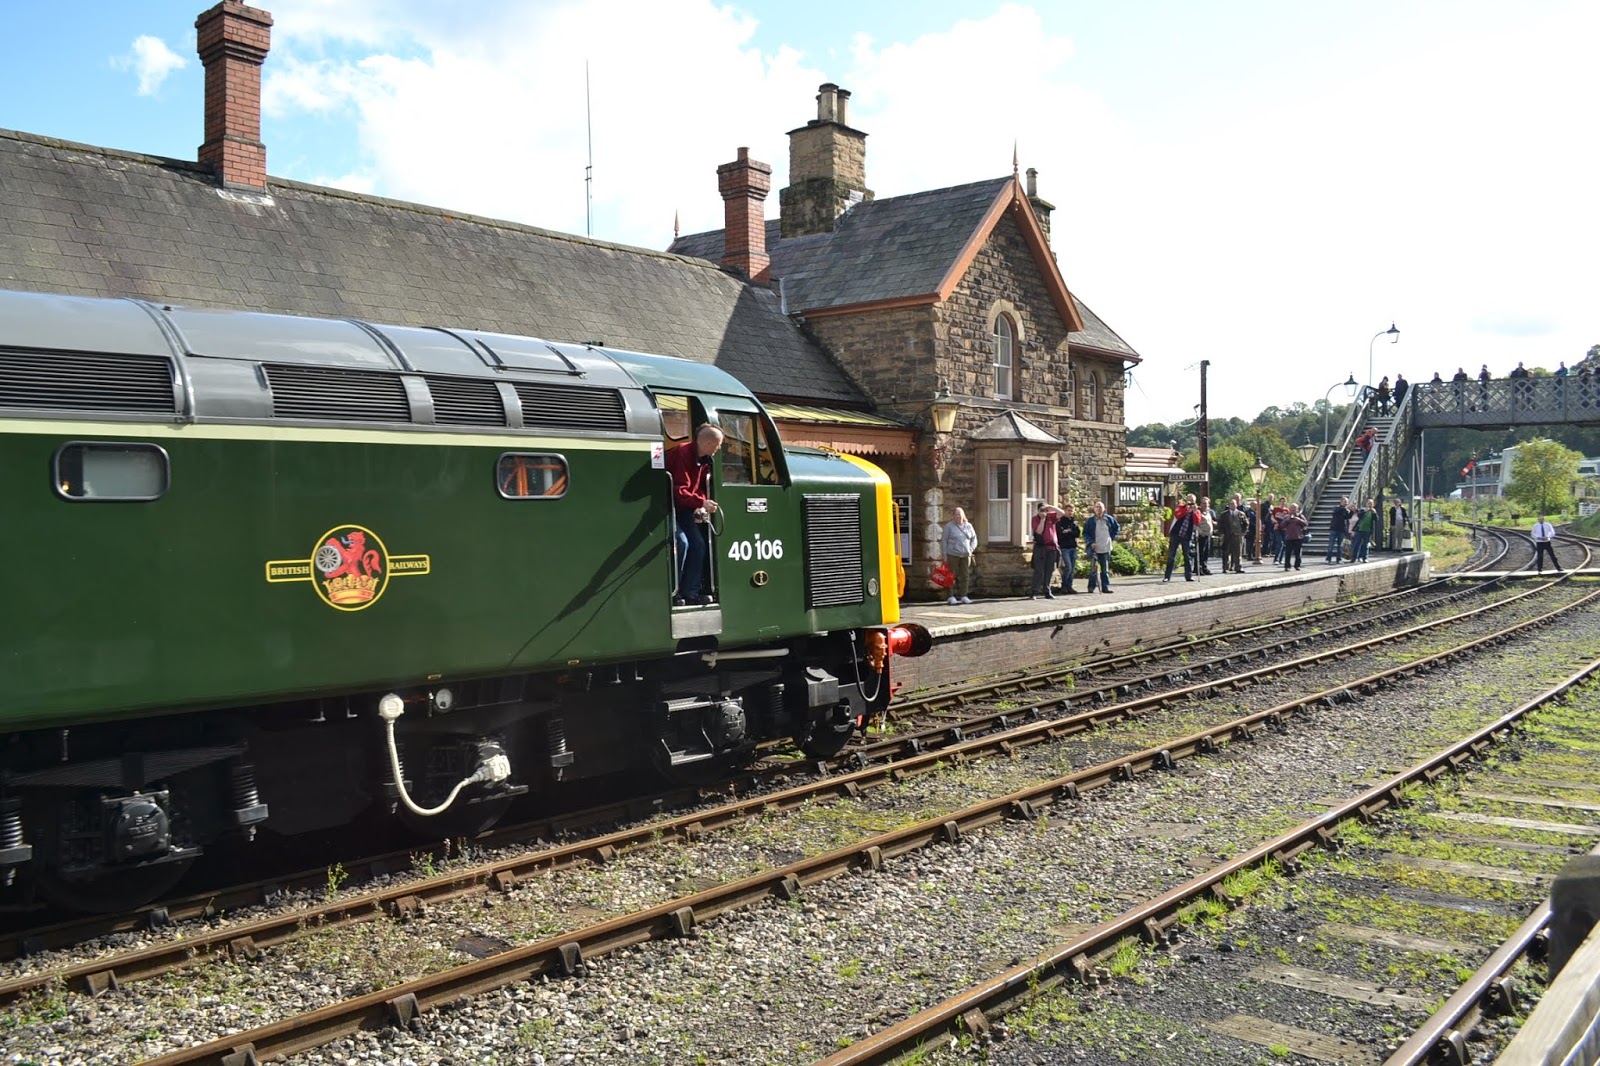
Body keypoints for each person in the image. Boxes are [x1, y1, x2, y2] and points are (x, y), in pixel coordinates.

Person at [667, 424, 723, 605]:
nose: (719, 448)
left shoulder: (704, 460)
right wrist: (701, 503)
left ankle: (690, 592)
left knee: (698, 544)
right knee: (681, 542)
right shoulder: (682, 453)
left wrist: (699, 505)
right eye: (718, 444)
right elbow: (678, 490)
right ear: (708, 443)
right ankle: (673, 592)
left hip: (684, 509)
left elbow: (697, 488)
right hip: (667, 509)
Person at [941, 506, 978, 605]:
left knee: (965, 575)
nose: (958, 516)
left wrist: (970, 549)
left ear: (963, 515)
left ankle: (964, 595)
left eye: (959, 514)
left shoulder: (968, 526)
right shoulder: (949, 526)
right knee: (951, 576)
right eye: (956, 514)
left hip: (965, 555)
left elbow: (974, 539)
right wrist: (944, 555)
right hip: (952, 554)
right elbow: (944, 540)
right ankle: (951, 596)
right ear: (953, 516)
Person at [1082, 501, 1119, 594]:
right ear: (1094, 509)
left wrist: (1112, 537)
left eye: (1100, 507)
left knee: (1105, 569)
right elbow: (1085, 533)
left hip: (1105, 547)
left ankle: (1105, 587)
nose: (1098, 509)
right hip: (1094, 547)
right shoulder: (1090, 521)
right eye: (1097, 507)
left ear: (1104, 509)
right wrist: (1091, 542)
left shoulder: (1109, 519)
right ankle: (1091, 587)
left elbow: (1116, 528)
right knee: (1093, 569)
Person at [1029, 502, 1062, 599]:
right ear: (1038, 511)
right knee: (1039, 571)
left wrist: (1051, 507)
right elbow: (1038, 531)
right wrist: (1042, 519)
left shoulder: (1051, 517)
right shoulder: (1035, 519)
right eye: (1041, 510)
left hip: (1051, 548)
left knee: (1049, 570)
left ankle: (1047, 591)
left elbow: (1061, 513)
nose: (1043, 512)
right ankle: (1034, 592)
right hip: (1040, 547)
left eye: (1045, 510)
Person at [1163, 494, 1197, 583]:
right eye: (1189, 500)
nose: (1190, 502)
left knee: (1187, 556)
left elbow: (1197, 521)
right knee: (1171, 556)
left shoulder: (1196, 510)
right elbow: (1178, 515)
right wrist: (1187, 509)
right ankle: (1167, 576)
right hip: (1176, 534)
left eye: (1192, 501)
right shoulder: (1181, 507)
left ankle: (1188, 576)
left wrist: (1194, 512)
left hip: (1186, 536)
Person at [1056, 503, 1081, 594]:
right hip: (1064, 547)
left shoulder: (1074, 522)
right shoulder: (1060, 522)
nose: (1070, 512)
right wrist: (1070, 532)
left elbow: (1077, 533)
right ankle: (1064, 585)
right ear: (1065, 511)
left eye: (1071, 511)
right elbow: (1061, 535)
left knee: (1072, 568)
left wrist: (1069, 532)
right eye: (1068, 510)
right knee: (1068, 567)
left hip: (1073, 547)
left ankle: (1069, 586)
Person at [1218, 498, 1246, 574]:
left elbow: (1246, 523)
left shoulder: (1241, 514)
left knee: (1238, 552)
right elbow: (1220, 524)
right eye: (1230, 504)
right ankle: (1226, 567)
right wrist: (1222, 533)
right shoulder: (1224, 514)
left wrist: (1243, 532)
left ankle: (1238, 567)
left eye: (1233, 504)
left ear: (1236, 505)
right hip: (1227, 535)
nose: (1232, 505)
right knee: (1226, 552)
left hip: (1238, 535)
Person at [1278, 503, 1309, 571]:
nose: (1293, 509)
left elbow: (1305, 524)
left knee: (1298, 553)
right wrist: (1287, 520)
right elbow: (1281, 526)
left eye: (1294, 508)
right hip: (1289, 537)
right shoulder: (1286, 517)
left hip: (1298, 537)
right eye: (1292, 508)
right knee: (1288, 553)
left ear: (1297, 509)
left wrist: (1298, 520)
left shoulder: (1300, 516)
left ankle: (1297, 565)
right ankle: (1287, 566)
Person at [1194, 496, 1216, 575]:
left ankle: (1204, 567)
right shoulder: (1198, 512)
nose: (1204, 505)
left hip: (1208, 535)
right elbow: (1195, 524)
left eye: (1206, 503)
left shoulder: (1209, 512)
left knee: (1206, 552)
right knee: (1200, 552)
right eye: (1203, 503)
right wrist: (1200, 532)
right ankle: (1198, 568)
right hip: (1201, 535)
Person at [1327, 495, 1352, 563]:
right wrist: (1345, 508)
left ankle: (1339, 559)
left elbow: (1348, 517)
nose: (1346, 503)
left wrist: (1352, 510)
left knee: (1340, 546)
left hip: (1341, 530)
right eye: (1345, 502)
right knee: (1331, 545)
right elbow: (1336, 512)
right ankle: (1328, 559)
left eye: (1347, 502)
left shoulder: (1346, 510)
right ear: (1341, 502)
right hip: (1334, 529)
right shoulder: (1336, 508)